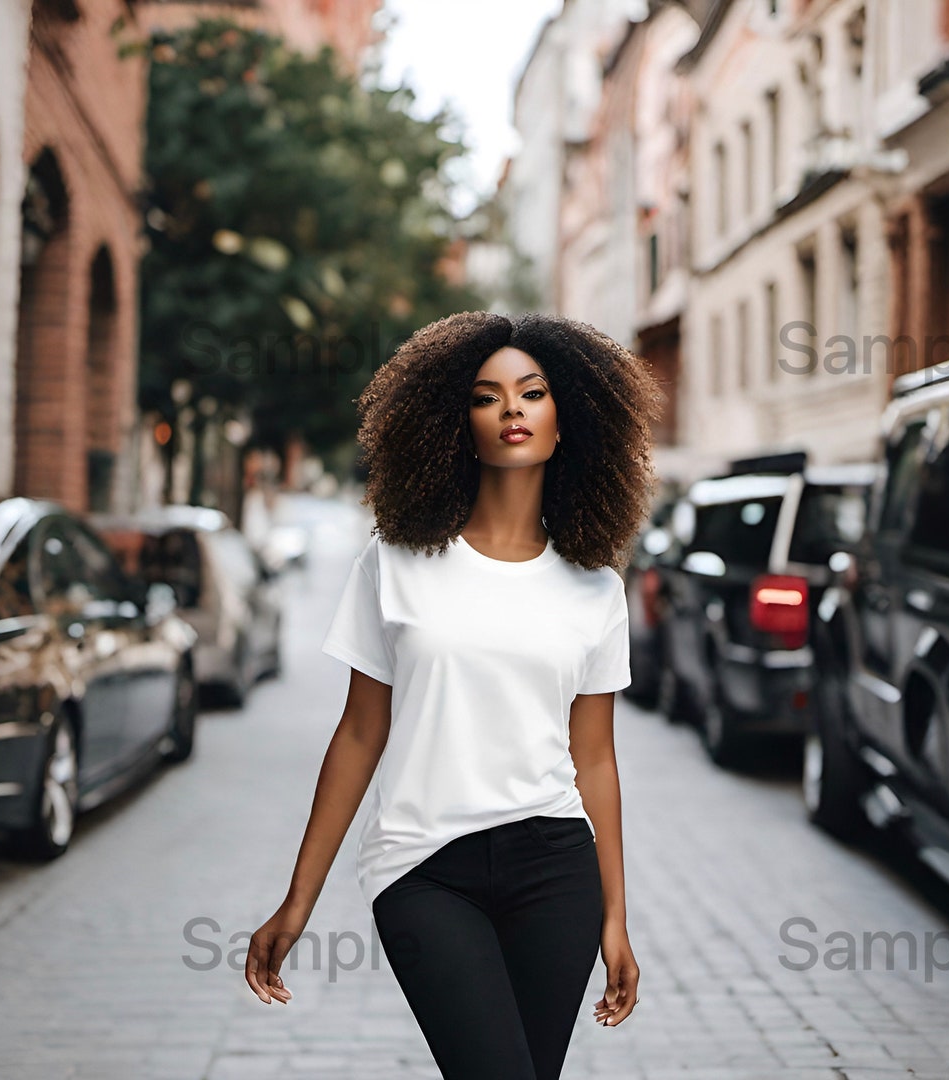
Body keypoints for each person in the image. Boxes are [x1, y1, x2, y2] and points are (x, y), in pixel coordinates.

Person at [245, 311, 664, 1079]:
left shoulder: (594, 589)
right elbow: (359, 735)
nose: (511, 410)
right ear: (455, 425)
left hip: (556, 869)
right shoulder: (397, 562)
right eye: (486, 396)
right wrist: (298, 900)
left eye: (532, 392)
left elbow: (595, 761)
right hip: (423, 869)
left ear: (568, 418)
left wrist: (615, 917)